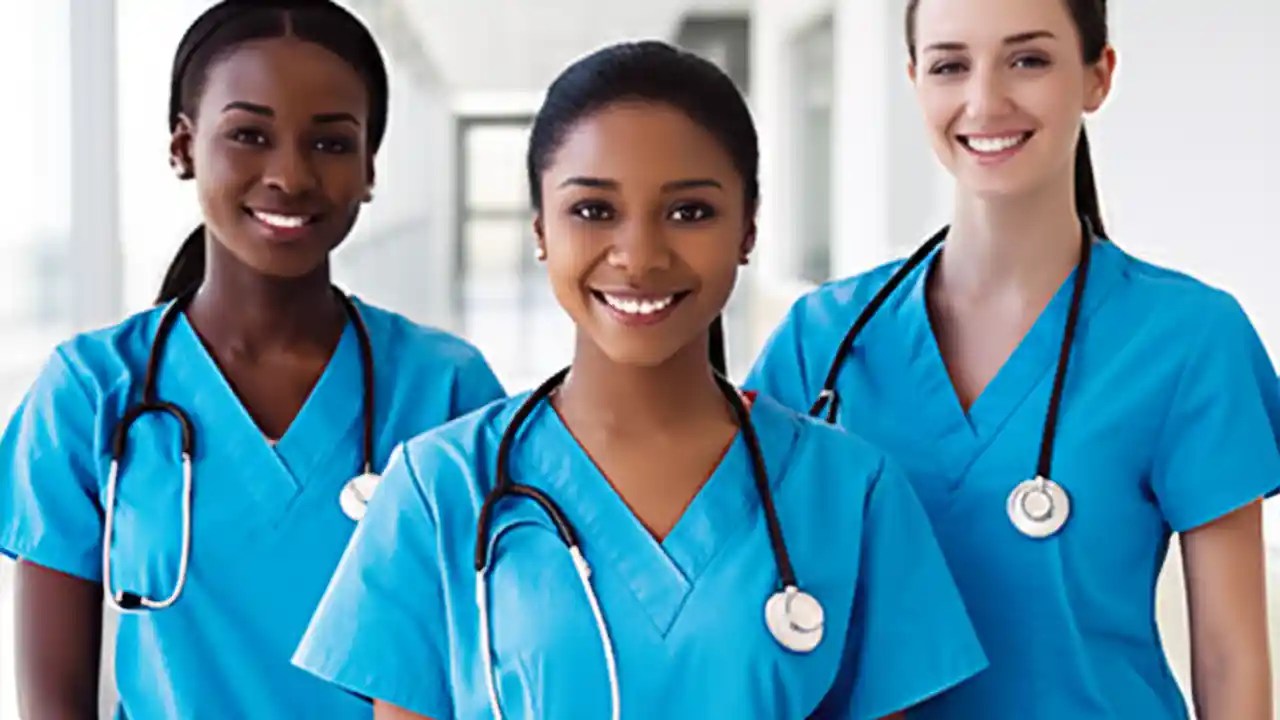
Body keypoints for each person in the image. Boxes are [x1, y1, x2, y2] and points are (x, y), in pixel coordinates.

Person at [292, 41, 987, 720]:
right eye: (593, 211)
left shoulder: (852, 491)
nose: (640, 255)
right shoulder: (439, 486)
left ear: (748, 229)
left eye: (689, 212)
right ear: (541, 229)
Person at [747, 0, 1278, 717]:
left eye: (1028, 59)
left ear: (1098, 76)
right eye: (949, 66)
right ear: (915, 81)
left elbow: (1231, 656)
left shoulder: (1187, 339)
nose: (984, 99)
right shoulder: (823, 340)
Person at [0, 2, 505, 718]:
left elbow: (486, 667)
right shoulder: (90, 391)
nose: (290, 175)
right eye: (248, 135)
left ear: (369, 168)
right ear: (183, 146)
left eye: (330, 144)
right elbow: (53, 701)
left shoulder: (445, 388)